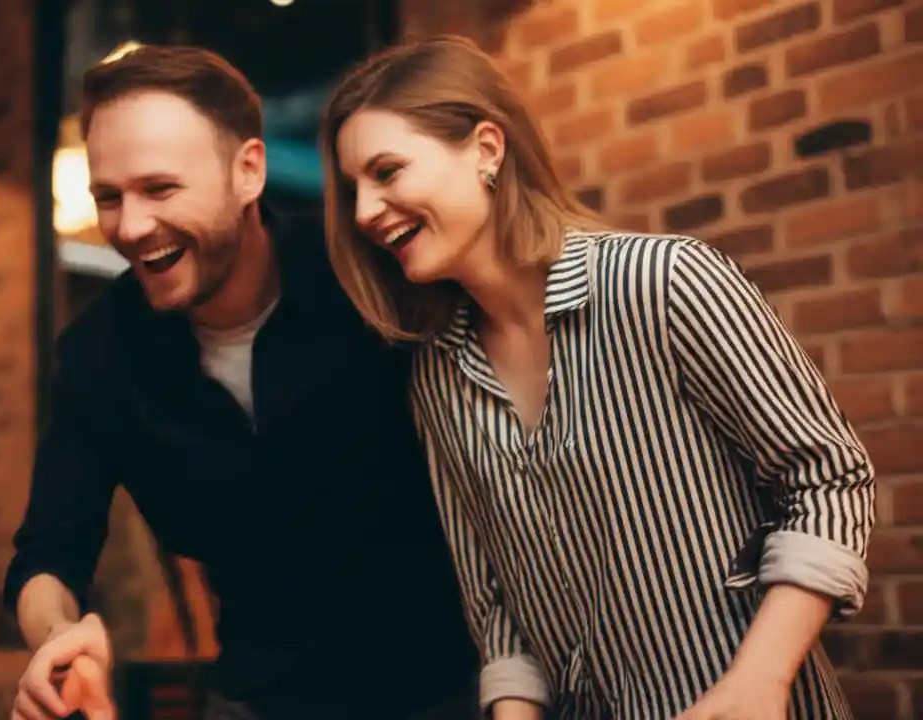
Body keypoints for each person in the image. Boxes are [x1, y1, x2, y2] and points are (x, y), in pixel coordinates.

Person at [320, 36, 875, 720]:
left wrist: (759, 681)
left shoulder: (664, 283)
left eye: (387, 171)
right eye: (353, 189)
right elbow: (498, 604)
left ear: (487, 150)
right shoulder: (436, 375)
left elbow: (827, 478)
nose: (366, 212)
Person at [4, 44, 479, 720]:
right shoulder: (98, 354)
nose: (132, 227)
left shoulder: (367, 274)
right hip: (255, 700)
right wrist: (61, 640)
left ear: (249, 171)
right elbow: (49, 551)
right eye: (108, 198)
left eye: (160, 189)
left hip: (448, 690)